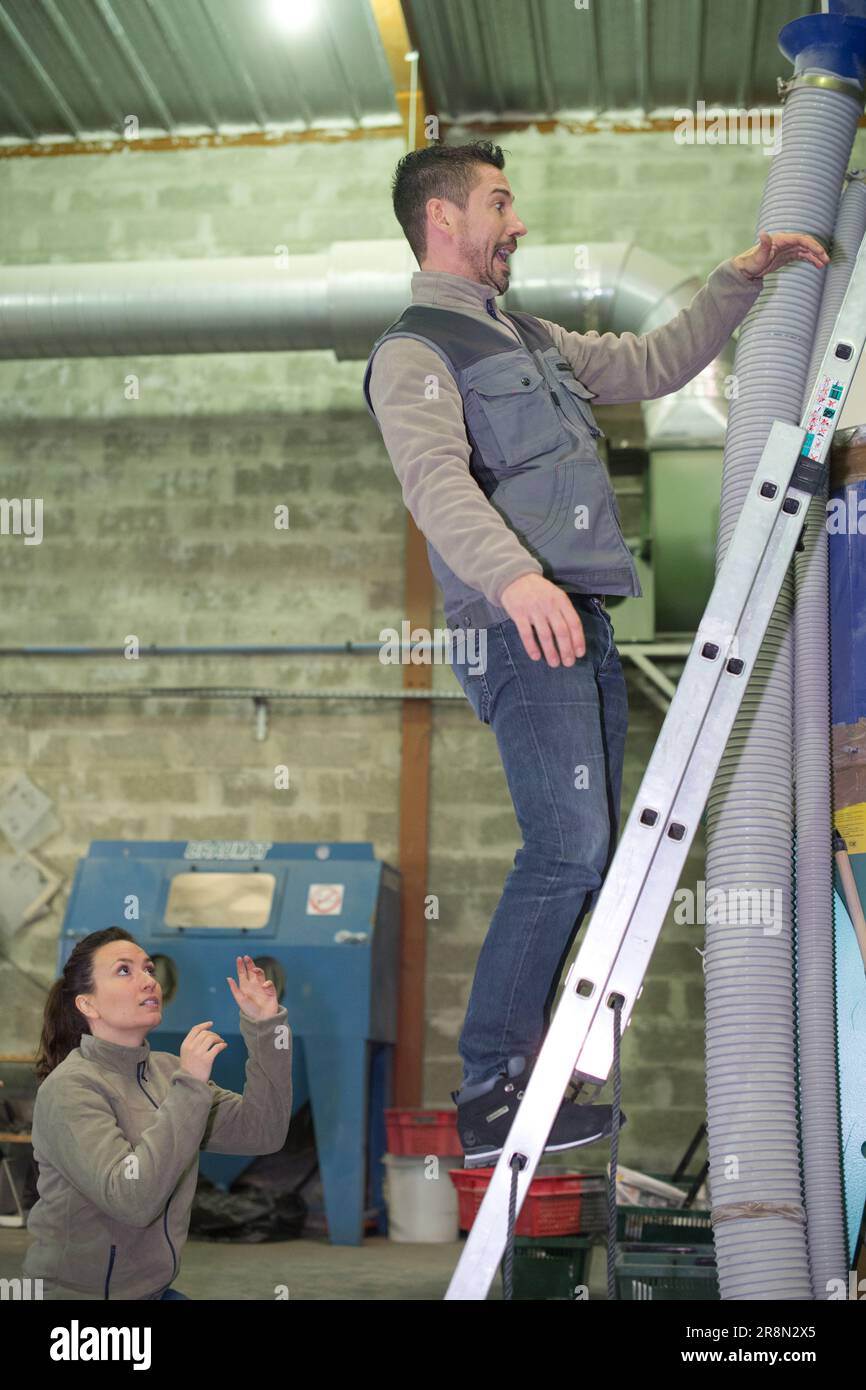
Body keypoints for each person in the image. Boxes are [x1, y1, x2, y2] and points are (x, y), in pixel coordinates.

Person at [363, 139, 829, 1168]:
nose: (515, 220)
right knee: (566, 847)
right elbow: (434, 481)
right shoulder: (416, 349)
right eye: (498, 201)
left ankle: (529, 1065)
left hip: (578, 623)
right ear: (442, 219)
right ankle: (489, 1085)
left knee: (592, 855)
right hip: (519, 623)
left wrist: (734, 284)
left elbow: (652, 363)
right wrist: (514, 576)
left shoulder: (526, 334)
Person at [22, 927, 292, 1299]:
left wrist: (266, 1028)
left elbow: (263, 1132)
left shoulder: (169, 1074)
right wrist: (191, 1087)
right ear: (88, 1005)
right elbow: (132, 1201)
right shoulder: (70, 1088)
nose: (148, 981)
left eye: (149, 969)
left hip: (153, 1292)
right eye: (124, 970)